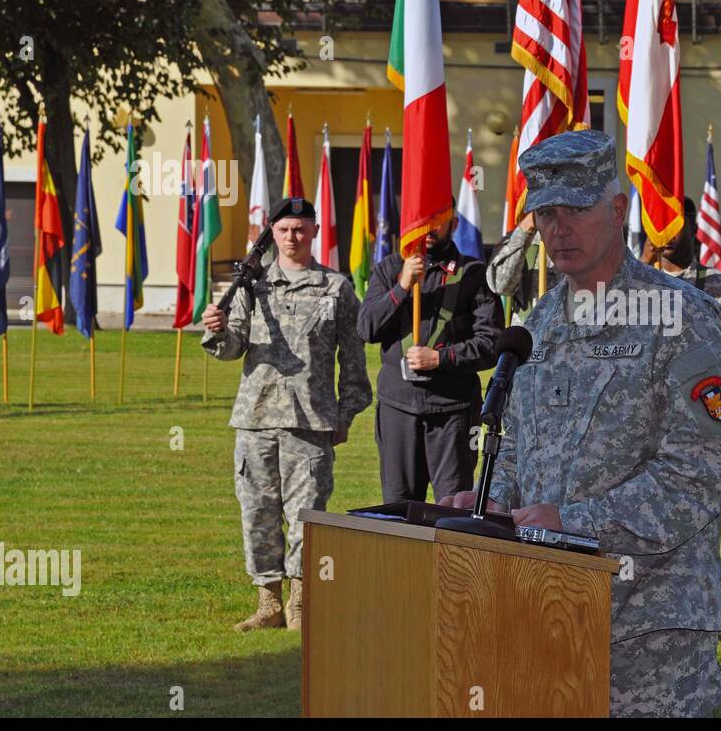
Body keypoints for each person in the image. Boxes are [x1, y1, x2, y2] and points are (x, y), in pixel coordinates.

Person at [442, 129, 721, 717]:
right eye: (545, 213)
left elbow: (699, 474)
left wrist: (572, 523)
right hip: (547, 612)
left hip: (650, 630)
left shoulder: (681, 318)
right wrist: (486, 508)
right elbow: (514, 451)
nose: (558, 228)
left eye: (574, 210)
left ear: (618, 208)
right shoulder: (540, 324)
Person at [202, 196, 372, 631]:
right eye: (283, 230)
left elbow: (353, 361)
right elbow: (232, 347)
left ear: (314, 232)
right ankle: (268, 604)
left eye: (300, 229)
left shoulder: (336, 288)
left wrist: (346, 415)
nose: (292, 237)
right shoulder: (250, 287)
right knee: (257, 511)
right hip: (256, 418)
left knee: (306, 517)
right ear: (272, 233)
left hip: (311, 423)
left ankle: (299, 604)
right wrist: (216, 330)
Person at [357, 210, 502, 504]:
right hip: (398, 406)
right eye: (424, 217)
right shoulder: (390, 269)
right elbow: (366, 328)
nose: (429, 227)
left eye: (438, 219)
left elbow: (491, 343)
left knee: (453, 507)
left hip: (453, 411)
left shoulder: (474, 273)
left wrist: (441, 359)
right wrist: (402, 287)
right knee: (398, 508)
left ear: (454, 223)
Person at [641, 195, 721, 341]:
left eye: (675, 224)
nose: (667, 233)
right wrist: (642, 264)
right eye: (661, 225)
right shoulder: (641, 282)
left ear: (694, 228)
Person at [486, 209, 562, 324]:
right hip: (529, 336)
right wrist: (527, 227)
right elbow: (500, 285)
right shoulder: (524, 238)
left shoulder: (588, 239)